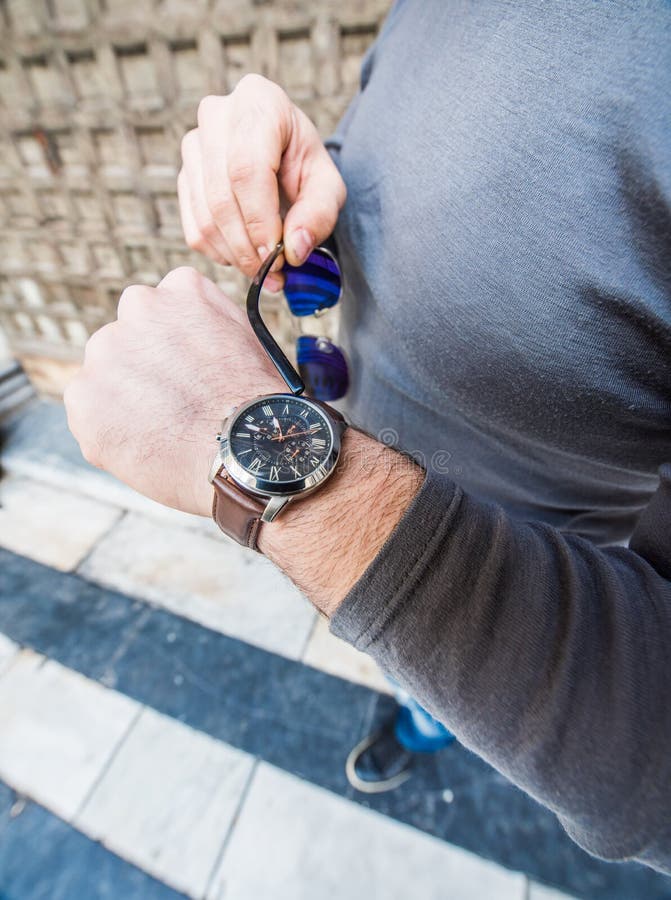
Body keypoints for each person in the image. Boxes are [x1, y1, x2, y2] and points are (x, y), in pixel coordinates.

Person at [64, 0, 671, 874]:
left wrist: (252, 447)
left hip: (500, 587)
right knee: (389, 652)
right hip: (357, 478)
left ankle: (434, 722)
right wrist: (306, 168)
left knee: (456, 698)